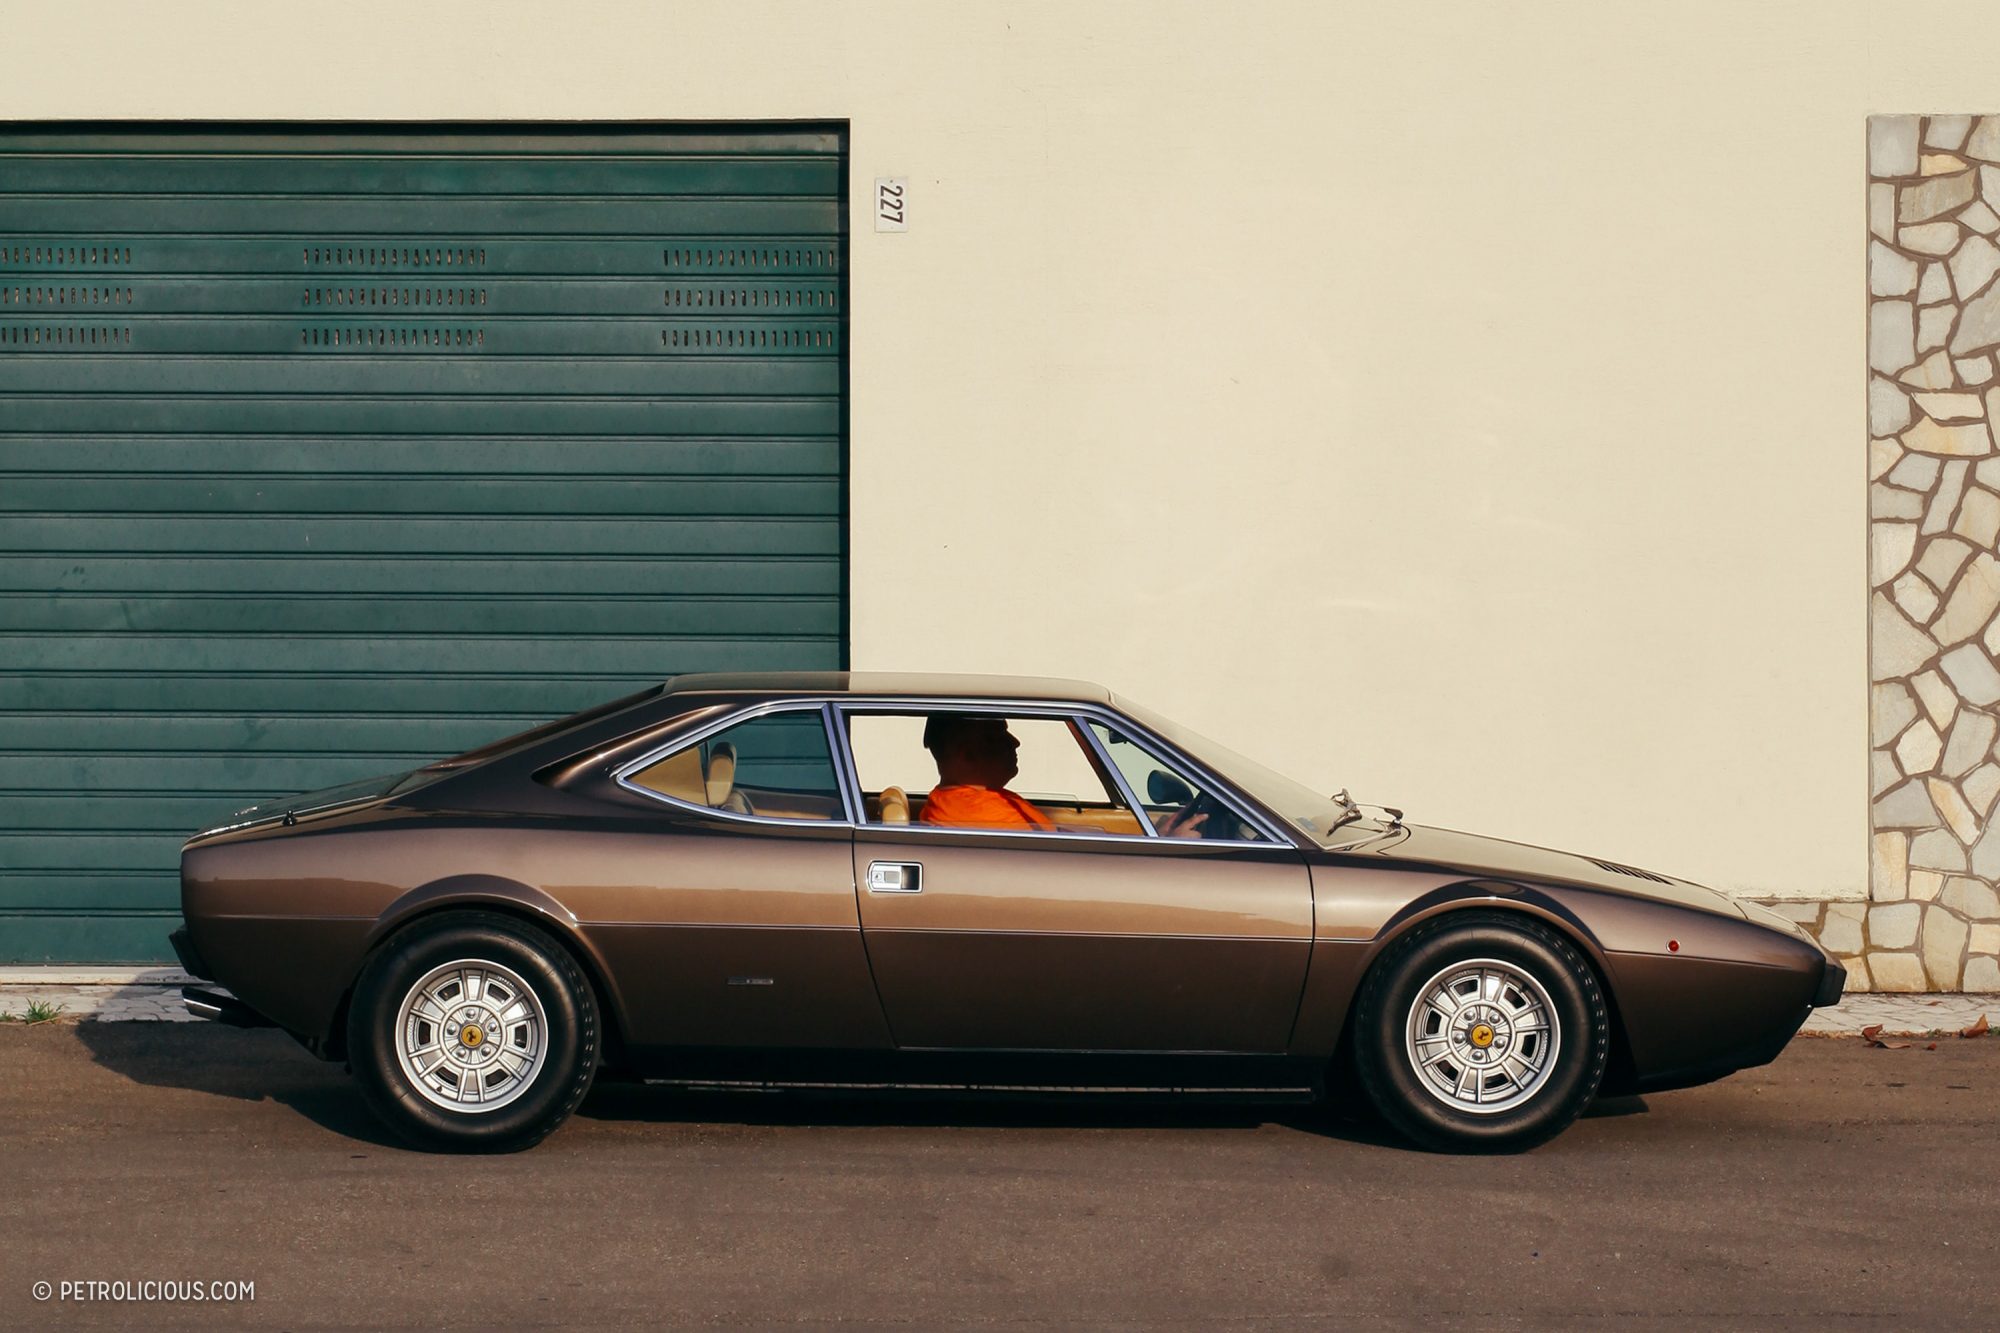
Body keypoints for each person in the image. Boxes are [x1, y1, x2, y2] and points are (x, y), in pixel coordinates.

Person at [918, 714, 1056, 830]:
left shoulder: (950, 800)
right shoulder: (979, 813)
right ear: (967, 755)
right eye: (998, 736)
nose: (1015, 742)